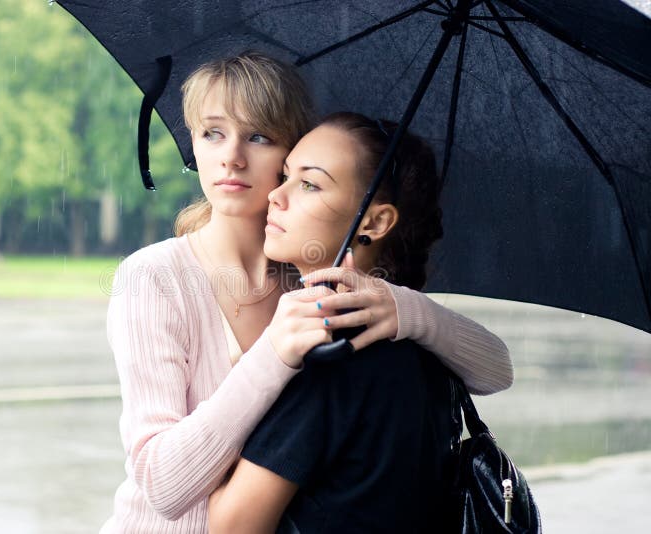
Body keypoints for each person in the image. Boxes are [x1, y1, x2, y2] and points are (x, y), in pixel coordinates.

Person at [101, 53, 512, 534]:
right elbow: (165, 487)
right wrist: (273, 352)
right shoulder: (154, 278)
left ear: (289, 153)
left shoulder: (312, 272)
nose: (231, 157)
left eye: (257, 136)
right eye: (212, 132)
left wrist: (407, 309)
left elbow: (496, 370)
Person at [208, 112, 468, 533]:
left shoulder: (332, 355)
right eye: (286, 175)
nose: (276, 195)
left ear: (375, 222)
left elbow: (229, 527)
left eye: (310, 183)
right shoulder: (429, 349)